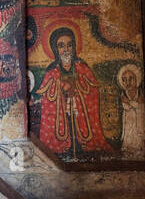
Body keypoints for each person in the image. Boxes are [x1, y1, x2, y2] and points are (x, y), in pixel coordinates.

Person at [31, 27, 111, 159]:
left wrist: (76, 88)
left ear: (74, 47)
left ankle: (83, 150)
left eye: (69, 45)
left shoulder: (82, 67)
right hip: (61, 114)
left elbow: (92, 91)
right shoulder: (51, 71)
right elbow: (47, 99)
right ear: (55, 49)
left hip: (79, 112)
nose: (66, 50)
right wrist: (61, 87)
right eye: (61, 46)